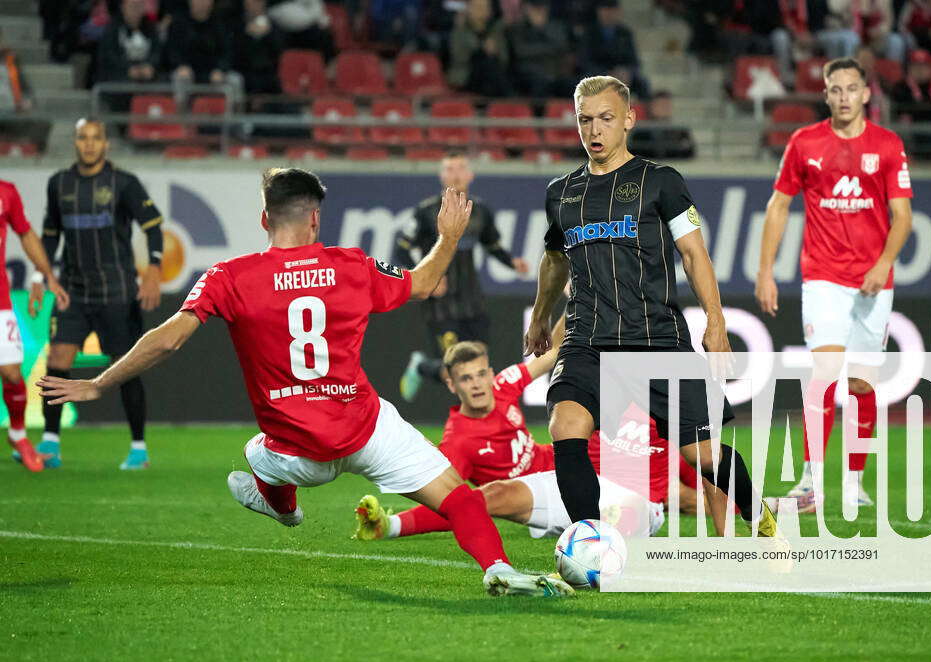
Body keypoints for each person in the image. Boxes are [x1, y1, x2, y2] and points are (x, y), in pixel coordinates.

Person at [38, 169, 572, 598]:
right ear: (316, 219)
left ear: (264, 217)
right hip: (367, 430)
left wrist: (98, 384)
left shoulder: (229, 277)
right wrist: (449, 236)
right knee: (459, 498)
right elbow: (426, 282)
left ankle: (283, 505)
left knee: (255, 451)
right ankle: (497, 566)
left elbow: (168, 339)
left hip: (300, 452)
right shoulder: (351, 265)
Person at [523, 75, 778, 539]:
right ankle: (592, 543)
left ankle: (753, 506)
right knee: (565, 426)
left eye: (605, 119)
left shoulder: (660, 182)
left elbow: (694, 254)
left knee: (702, 455)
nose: (594, 131)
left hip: (655, 337)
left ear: (628, 120)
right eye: (585, 120)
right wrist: (541, 314)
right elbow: (555, 259)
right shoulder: (560, 193)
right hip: (588, 339)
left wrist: (716, 321)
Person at [355, 325, 709, 542]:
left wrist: (573, 299)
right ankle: (389, 527)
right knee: (488, 496)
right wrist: (396, 521)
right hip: (544, 489)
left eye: (481, 374)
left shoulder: (503, 385)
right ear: (450, 384)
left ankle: (743, 504)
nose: (479, 385)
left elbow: (554, 353)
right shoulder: (459, 442)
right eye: (466, 378)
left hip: (571, 460)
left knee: (658, 440)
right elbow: (452, 504)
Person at [755, 57, 914, 512]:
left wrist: (883, 264)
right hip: (823, 277)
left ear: (866, 94)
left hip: (873, 282)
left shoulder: (887, 145)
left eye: (851, 89)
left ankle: (853, 483)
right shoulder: (805, 143)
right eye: (835, 89)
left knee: (862, 385)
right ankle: (809, 482)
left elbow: (902, 216)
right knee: (825, 375)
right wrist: (766, 271)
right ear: (825, 95)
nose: (843, 97)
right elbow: (778, 206)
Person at [38, 118, 165, 470]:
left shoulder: (124, 183)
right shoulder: (58, 184)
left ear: (106, 144)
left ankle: (139, 448)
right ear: (75, 143)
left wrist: (153, 268)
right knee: (58, 360)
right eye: (83, 138)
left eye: (96, 138)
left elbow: (154, 227)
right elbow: (50, 234)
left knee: (124, 367)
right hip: (73, 291)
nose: (89, 144)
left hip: (117, 291)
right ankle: (49, 444)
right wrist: (42, 273)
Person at [395, 152, 529, 402]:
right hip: (440, 305)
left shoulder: (481, 211)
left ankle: (480, 428)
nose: (455, 174)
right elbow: (400, 248)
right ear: (441, 175)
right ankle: (423, 366)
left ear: (470, 174)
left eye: (460, 168)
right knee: (455, 370)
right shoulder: (425, 212)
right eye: (449, 169)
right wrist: (424, 277)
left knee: (479, 366)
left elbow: (492, 245)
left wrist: (511, 262)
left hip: (472, 300)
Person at [1, 181, 69, 472]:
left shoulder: (7, 192)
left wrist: (46, 275)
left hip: (0, 301)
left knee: (12, 372)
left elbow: (26, 233)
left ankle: (17, 434)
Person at [578, 0, 648, 99]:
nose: (609, 14)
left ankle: (642, 113)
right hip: (597, 74)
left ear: (618, 12)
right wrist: (607, 74)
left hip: (621, 75)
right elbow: (584, 61)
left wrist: (627, 72)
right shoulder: (590, 33)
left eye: (612, 10)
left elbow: (634, 61)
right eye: (605, 10)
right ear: (599, 12)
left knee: (642, 83)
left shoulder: (625, 33)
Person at [506, 0, 574, 98]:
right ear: (526, 9)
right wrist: (550, 48)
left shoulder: (556, 26)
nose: (539, 11)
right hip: (528, 75)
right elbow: (521, 51)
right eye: (535, 8)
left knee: (573, 85)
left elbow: (563, 46)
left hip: (555, 73)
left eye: (542, 7)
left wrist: (542, 29)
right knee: (539, 84)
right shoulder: (517, 28)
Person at [446, 0, 512, 97]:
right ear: (469, 9)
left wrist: (495, 52)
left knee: (491, 64)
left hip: (492, 77)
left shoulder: (496, 31)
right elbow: (459, 58)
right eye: (478, 7)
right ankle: (508, 99)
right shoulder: (460, 30)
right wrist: (481, 48)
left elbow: (504, 59)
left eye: (486, 7)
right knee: (486, 62)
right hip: (467, 75)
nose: (482, 11)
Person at [627, 90, 696, 159]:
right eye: (660, 105)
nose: (664, 109)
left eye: (667, 106)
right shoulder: (640, 131)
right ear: (651, 107)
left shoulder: (680, 131)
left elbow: (689, 154)